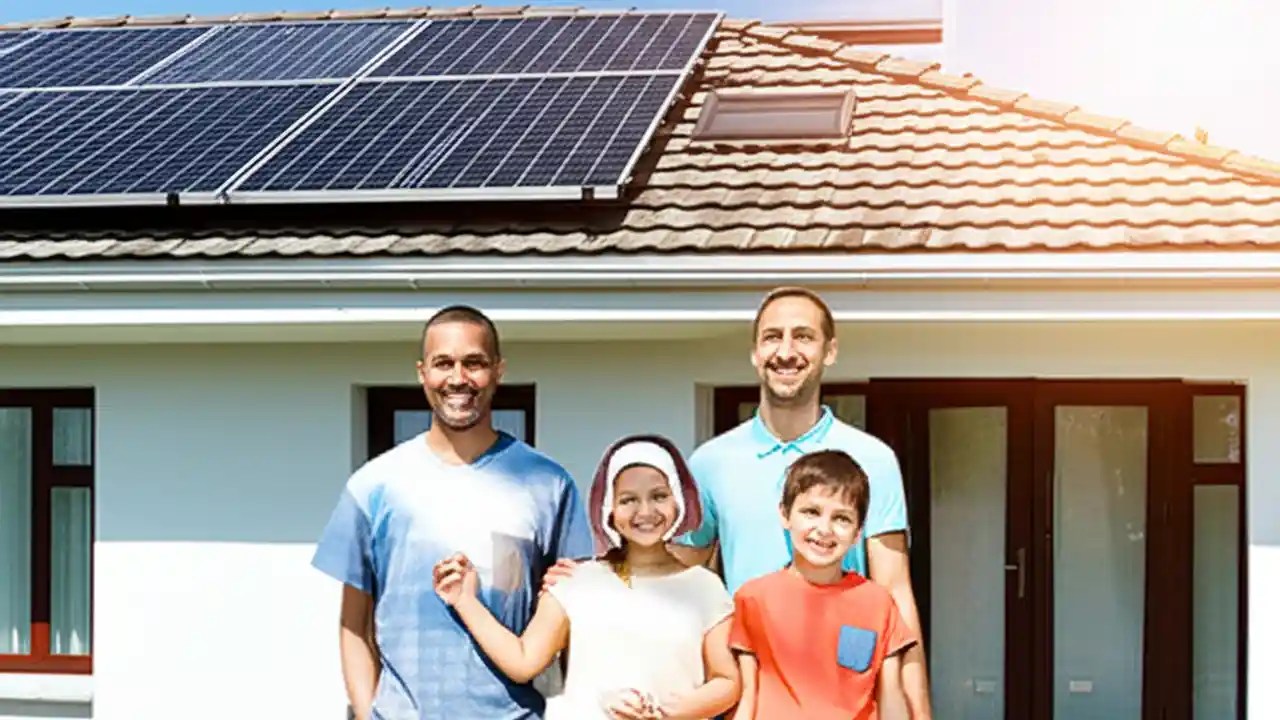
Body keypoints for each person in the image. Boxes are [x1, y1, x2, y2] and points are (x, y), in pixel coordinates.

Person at [546, 287, 932, 716]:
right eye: (772, 337)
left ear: (830, 351)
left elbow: (895, 595)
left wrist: (920, 712)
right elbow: (671, 571)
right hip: (747, 699)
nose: (786, 351)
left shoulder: (873, 460)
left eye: (803, 336)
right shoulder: (711, 462)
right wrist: (595, 576)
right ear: (754, 352)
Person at [311, 305, 594, 720]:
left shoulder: (548, 484)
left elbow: (578, 614)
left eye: (474, 363)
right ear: (422, 372)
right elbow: (354, 626)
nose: (458, 378)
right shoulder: (373, 485)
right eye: (443, 363)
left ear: (498, 370)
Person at [433, 435, 740, 720]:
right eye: (628, 500)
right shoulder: (574, 582)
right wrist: (465, 600)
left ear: (678, 502)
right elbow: (523, 661)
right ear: (609, 509)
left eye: (659, 496)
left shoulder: (705, 587)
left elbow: (727, 681)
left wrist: (668, 712)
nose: (645, 511)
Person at [729, 449, 914, 720]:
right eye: (811, 512)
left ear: (858, 532)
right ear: (785, 515)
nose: (824, 529)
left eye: (841, 518)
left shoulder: (877, 603)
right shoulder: (753, 598)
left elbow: (891, 695)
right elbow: (747, 696)